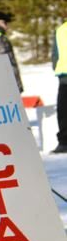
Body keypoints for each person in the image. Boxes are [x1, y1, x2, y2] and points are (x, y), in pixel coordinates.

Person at [54, 19, 67, 154]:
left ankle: (64, 142)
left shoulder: (61, 29)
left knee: (63, 110)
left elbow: (55, 55)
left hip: (64, 75)